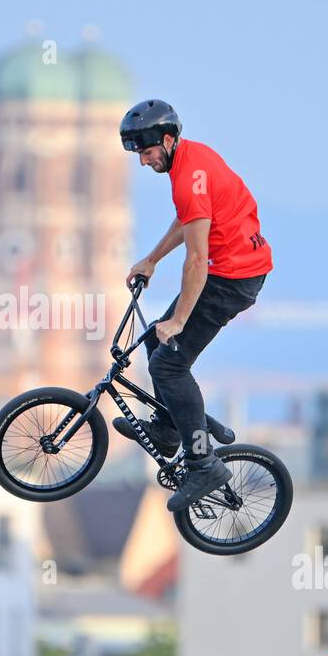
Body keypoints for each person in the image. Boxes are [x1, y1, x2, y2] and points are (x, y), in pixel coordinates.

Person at [118, 99, 273, 512]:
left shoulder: (188, 177)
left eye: (147, 153)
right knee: (156, 336)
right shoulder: (190, 160)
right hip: (233, 269)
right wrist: (151, 258)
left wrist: (181, 318)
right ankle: (173, 425)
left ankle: (203, 464)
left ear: (168, 140)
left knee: (168, 363)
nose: (144, 162)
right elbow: (188, 222)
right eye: (138, 155)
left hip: (232, 278)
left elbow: (197, 259)